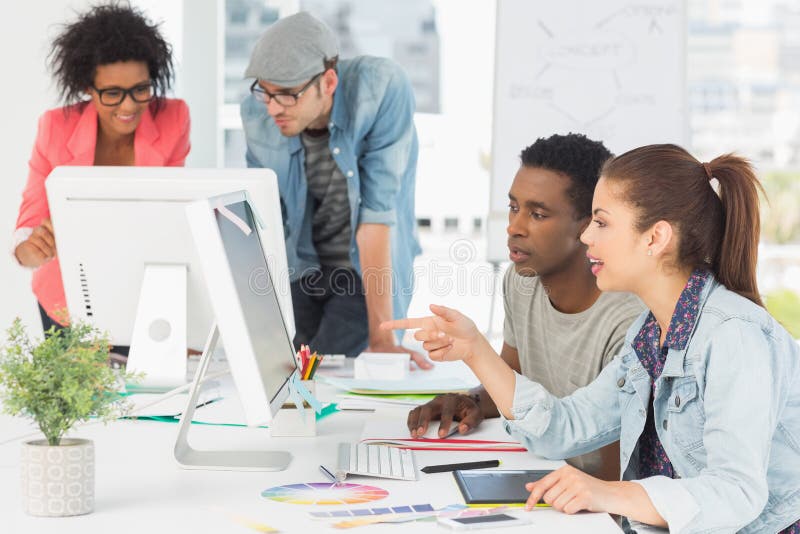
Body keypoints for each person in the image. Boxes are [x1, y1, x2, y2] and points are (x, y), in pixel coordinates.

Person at [384, 144, 800, 533]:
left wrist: (608, 493)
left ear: (655, 238)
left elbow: (736, 492)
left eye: (601, 222)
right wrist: (474, 349)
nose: (587, 237)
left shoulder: (734, 336)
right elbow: (566, 427)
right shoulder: (649, 335)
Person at [405, 133, 643, 481]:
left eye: (538, 214)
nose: (514, 227)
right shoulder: (521, 281)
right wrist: (470, 401)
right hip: (545, 473)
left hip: (591, 496)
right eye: (514, 207)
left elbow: (612, 477)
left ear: (587, 225)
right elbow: (512, 383)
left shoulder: (629, 322)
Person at [240, 12, 425, 365]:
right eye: (266, 91)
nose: (273, 108)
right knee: (284, 371)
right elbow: (265, 221)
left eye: (287, 94)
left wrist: (383, 340)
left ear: (327, 82)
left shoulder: (380, 89)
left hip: (359, 274)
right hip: (300, 268)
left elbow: (376, 217)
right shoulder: (256, 111)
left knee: (328, 372)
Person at [13, 4, 190, 333]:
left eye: (140, 89)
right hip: (67, 297)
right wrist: (30, 249)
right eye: (112, 93)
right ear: (87, 87)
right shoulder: (55, 128)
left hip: (141, 292)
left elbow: (170, 214)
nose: (129, 105)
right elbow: (30, 217)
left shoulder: (173, 119)